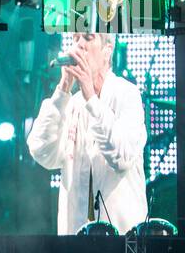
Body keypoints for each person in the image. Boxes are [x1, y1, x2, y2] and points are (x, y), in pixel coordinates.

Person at [27, 30, 148, 235]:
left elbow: (122, 157)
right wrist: (63, 88)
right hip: (75, 239)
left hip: (123, 244)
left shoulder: (127, 95)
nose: (79, 45)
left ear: (107, 51)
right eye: (75, 39)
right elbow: (41, 152)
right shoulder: (70, 103)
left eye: (88, 37)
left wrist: (92, 98)